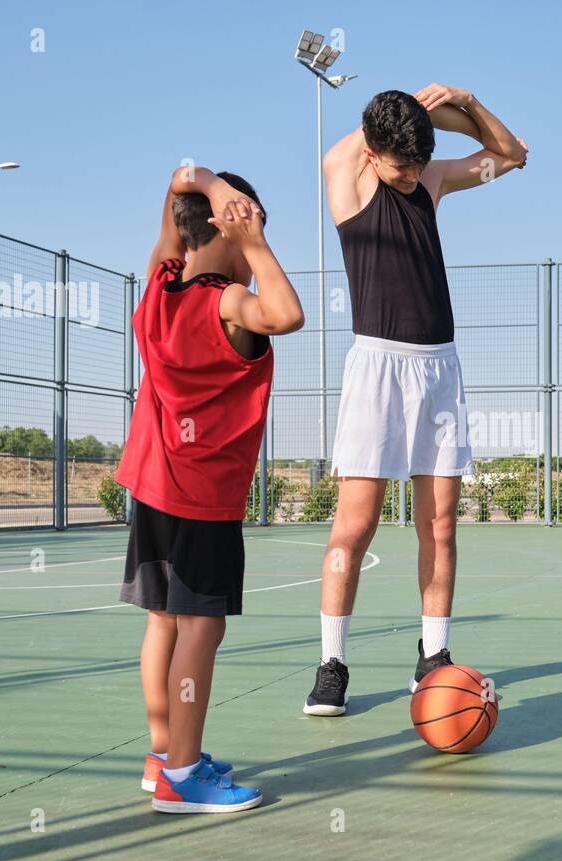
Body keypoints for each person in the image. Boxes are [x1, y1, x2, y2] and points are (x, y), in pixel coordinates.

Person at [304, 84, 527, 716]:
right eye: (399, 163)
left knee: (441, 524)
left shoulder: (428, 181)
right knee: (355, 523)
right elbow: (343, 150)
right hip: (377, 367)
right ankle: (332, 665)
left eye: (416, 162)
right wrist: (408, 107)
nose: (409, 175)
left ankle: (433, 658)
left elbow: (512, 155)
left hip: (438, 369)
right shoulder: (346, 180)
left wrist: (469, 104)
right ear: (372, 154)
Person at [117, 165, 304, 810]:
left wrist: (201, 186)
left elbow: (174, 188)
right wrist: (253, 239)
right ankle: (183, 776)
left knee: (164, 621)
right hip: (202, 494)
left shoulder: (160, 286)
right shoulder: (224, 302)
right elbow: (287, 314)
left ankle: (163, 753)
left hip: (151, 481)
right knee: (201, 627)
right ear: (227, 227)